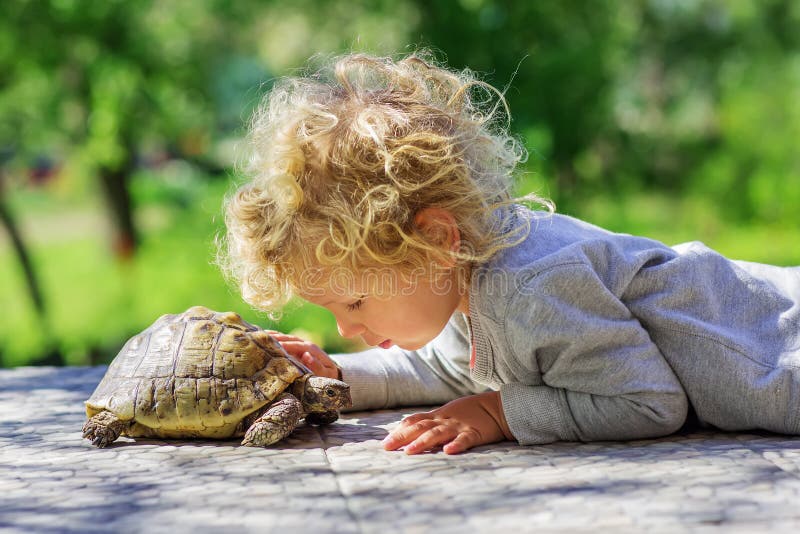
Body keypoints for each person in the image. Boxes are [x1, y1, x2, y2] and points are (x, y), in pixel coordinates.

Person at [218, 51, 800, 455]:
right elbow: (432, 369)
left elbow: (647, 402)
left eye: (356, 301)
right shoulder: (459, 284)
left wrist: (497, 413)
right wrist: (338, 378)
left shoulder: (528, 287)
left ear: (436, 241)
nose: (348, 326)